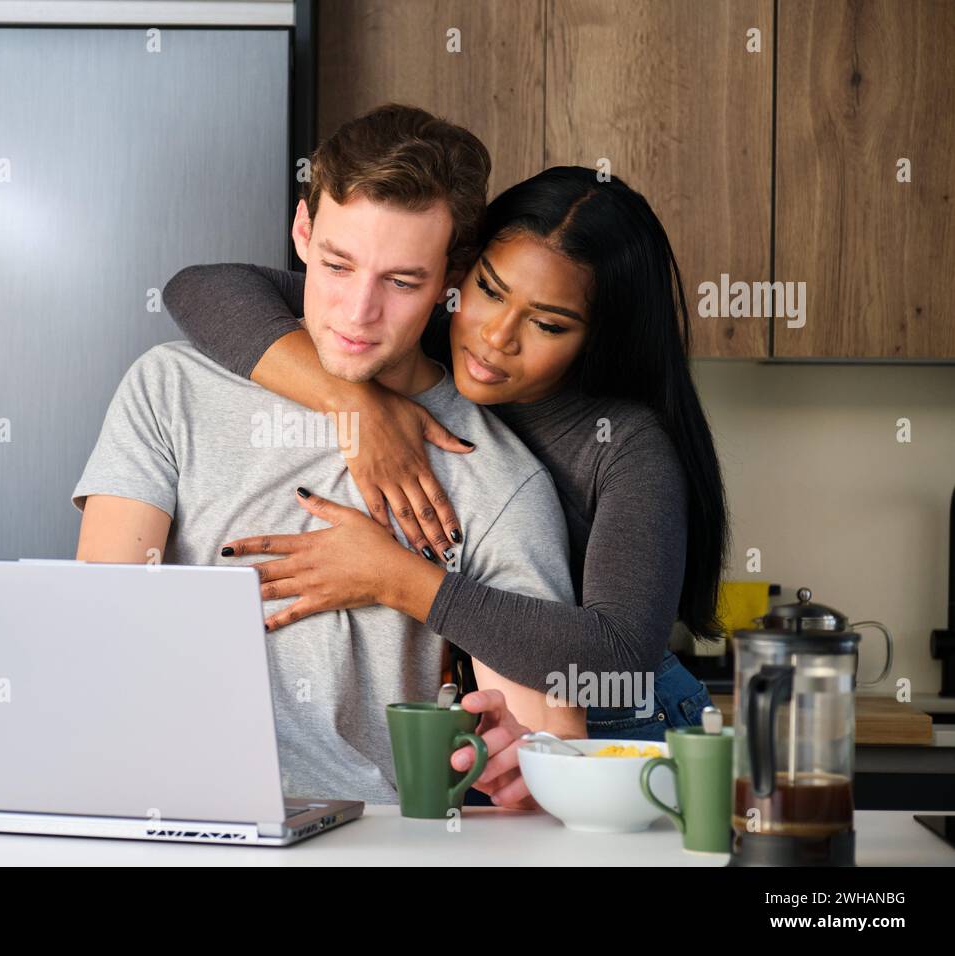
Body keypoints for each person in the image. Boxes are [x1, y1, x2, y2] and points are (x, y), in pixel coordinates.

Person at [72, 104, 581, 808]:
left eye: (402, 283)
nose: (356, 313)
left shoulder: (494, 476)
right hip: (157, 808)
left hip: (364, 834)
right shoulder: (171, 388)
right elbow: (94, 631)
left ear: (452, 277)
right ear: (303, 232)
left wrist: (527, 768)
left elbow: (546, 744)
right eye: (338, 265)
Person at [162, 161, 728, 746]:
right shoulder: (422, 333)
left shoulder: (627, 446)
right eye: (488, 290)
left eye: (549, 325)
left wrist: (393, 577)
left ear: (600, 336)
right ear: (459, 272)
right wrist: (351, 402)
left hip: (624, 732)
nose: (497, 337)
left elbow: (616, 657)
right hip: (485, 717)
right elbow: (203, 288)